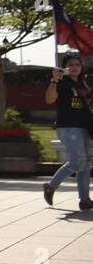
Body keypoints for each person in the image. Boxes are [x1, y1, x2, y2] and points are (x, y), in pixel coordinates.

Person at [43, 54, 93, 210]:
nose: (74, 67)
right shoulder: (61, 82)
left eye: (77, 64)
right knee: (78, 161)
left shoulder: (83, 85)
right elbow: (49, 99)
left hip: (86, 127)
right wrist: (54, 80)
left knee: (87, 163)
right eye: (70, 64)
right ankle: (51, 185)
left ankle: (84, 199)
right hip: (69, 127)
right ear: (64, 67)